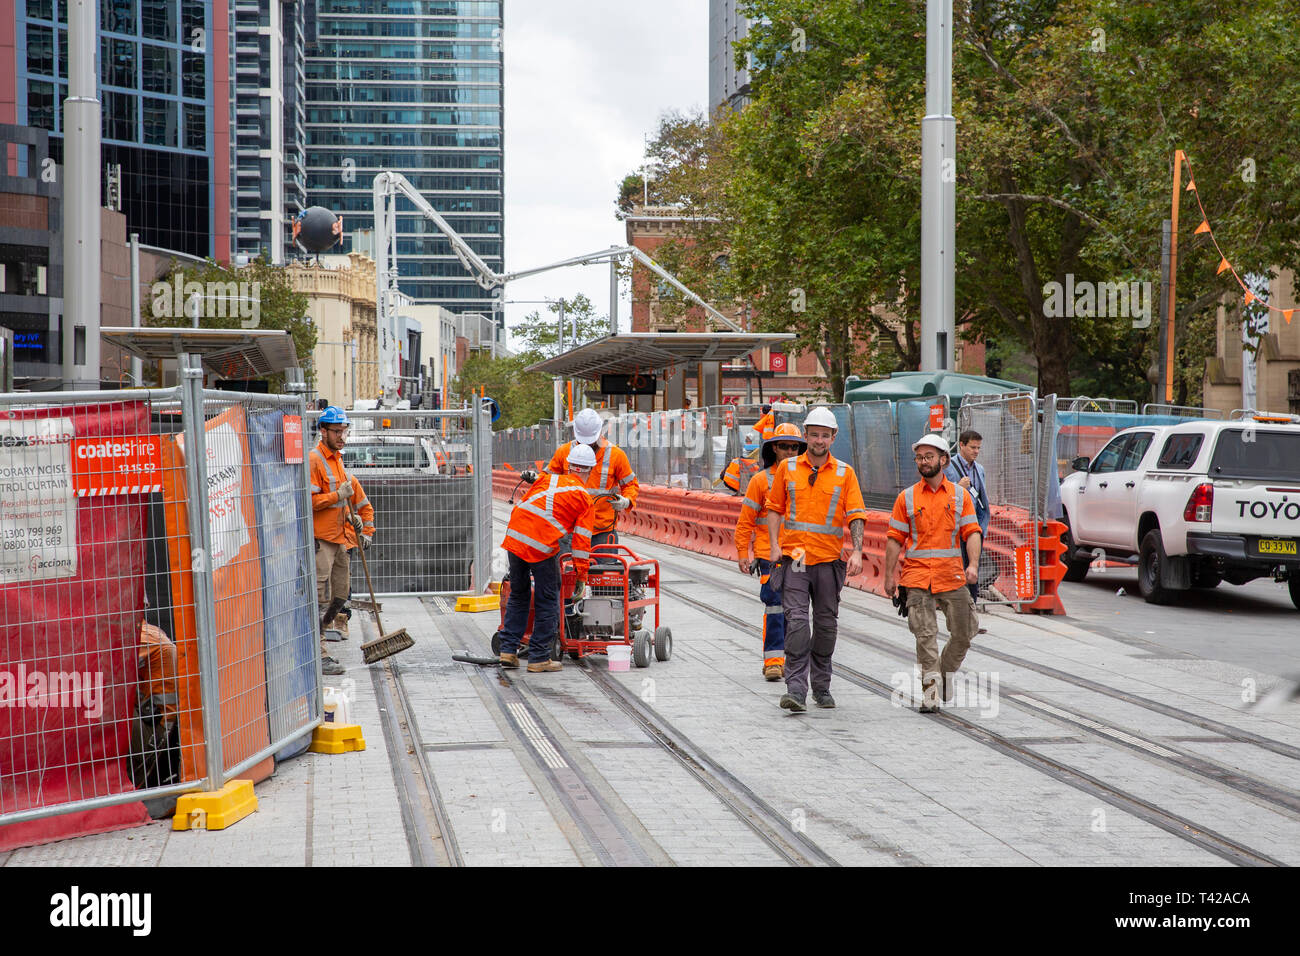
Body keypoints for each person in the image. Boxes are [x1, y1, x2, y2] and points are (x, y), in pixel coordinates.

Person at [762, 407, 867, 712]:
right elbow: (774, 508)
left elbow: (856, 514)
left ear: (833, 438)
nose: (819, 440)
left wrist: (857, 550)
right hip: (794, 560)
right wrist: (773, 545)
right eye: (814, 434)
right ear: (805, 435)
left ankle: (822, 687)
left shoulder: (845, 473)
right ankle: (796, 689)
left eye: (825, 435)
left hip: (828, 561)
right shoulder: (788, 468)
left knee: (825, 626)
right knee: (796, 623)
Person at [884, 434, 982, 713]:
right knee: (925, 636)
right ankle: (931, 693)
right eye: (919, 457)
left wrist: (972, 564)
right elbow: (894, 538)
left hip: (951, 576)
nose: (924, 462)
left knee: (965, 632)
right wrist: (889, 576)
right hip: (916, 578)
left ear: (944, 460)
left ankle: (945, 675)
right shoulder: (907, 497)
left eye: (929, 456)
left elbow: (972, 532)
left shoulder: (960, 496)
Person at [496, 443, 598, 672]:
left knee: (519, 594)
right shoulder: (584, 499)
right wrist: (582, 576)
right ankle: (539, 657)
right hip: (539, 544)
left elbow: (529, 506)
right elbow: (581, 544)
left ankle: (508, 651)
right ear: (590, 470)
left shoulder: (547, 479)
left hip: (515, 536)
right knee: (548, 597)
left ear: (570, 466)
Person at [735, 422, 807, 681]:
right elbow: (746, 521)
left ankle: (793, 659)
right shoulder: (760, 481)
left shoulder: (807, 478)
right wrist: (743, 552)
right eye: (784, 446)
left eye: (794, 447)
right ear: (774, 448)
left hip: (799, 553)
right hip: (769, 554)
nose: (790, 451)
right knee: (775, 606)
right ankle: (774, 661)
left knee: (797, 608)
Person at [309, 406, 374, 676]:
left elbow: (358, 504)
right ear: (323, 431)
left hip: (341, 541)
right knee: (320, 597)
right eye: (337, 431)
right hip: (322, 540)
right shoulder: (314, 460)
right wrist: (337, 497)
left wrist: (355, 522)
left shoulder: (339, 460)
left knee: (339, 596)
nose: (342, 436)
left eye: (344, 431)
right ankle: (319, 650)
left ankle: (320, 634)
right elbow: (310, 502)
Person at [537, 408, 637, 548]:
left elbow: (630, 484)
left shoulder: (616, 455)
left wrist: (627, 501)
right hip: (569, 527)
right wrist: (535, 479)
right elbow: (546, 479)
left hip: (601, 530)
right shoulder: (564, 452)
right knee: (567, 569)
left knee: (603, 569)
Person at [944, 429, 990, 601]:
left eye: (978, 448)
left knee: (973, 569)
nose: (976, 451)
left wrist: (981, 526)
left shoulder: (980, 469)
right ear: (961, 445)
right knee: (960, 567)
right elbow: (943, 496)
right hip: (956, 527)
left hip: (974, 527)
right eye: (972, 447)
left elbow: (981, 497)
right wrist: (958, 487)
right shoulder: (948, 467)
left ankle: (971, 609)